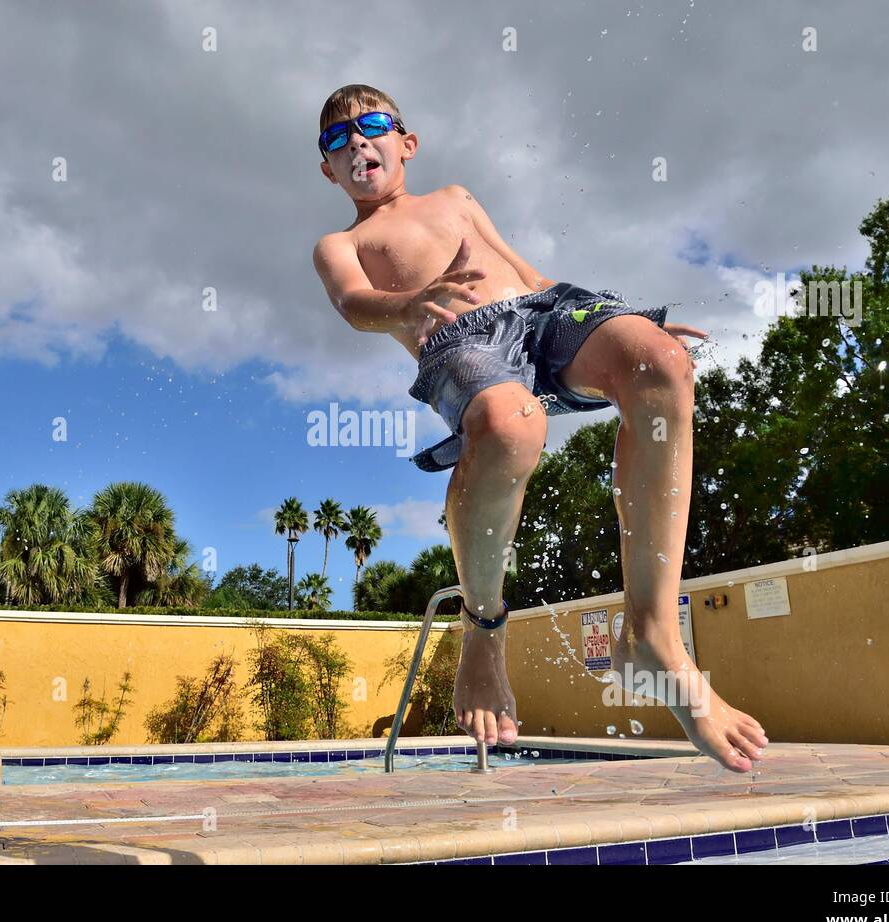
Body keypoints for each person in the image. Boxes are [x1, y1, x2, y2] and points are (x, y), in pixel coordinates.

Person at [311, 85, 767, 772]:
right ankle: (483, 626)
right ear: (328, 171)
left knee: (662, 364)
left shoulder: (457, 198)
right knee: (508, 423)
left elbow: (528, 274)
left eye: (371, 125)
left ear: (407, 142)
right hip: (461, 339)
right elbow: (354, 302)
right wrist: (408, 304)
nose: (356, 141)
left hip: (542, 312)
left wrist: (630, 327)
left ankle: (651, 634)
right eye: (336, 138)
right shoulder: (341, 242)